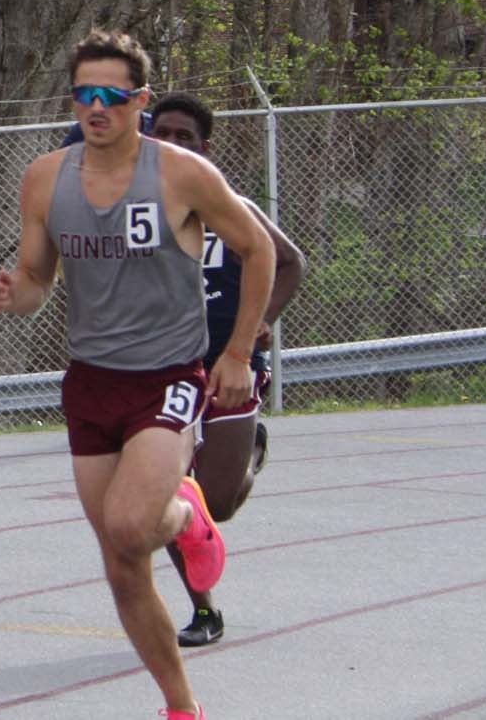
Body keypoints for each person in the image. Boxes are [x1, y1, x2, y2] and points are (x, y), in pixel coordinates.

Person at [0, 29, 275, 720]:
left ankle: (184, 514)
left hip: (167, 374)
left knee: (132, 522)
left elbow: (258, 249)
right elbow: (36, 280)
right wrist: (8, 294)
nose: (98, 107)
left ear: (140, 100)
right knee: (121, 560)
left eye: (113, 95)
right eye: (86, 94)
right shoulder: (47, 176)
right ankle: (182, 706)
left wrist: (234, 353)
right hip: (91, 380)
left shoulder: (180, 173)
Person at [145, 92, 306, 647]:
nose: (169, 144)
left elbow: (289, 262)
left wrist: (260, 324)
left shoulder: (227, 203)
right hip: (164, 367)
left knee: (219, 504)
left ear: (204, 147)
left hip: (229, 363)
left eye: (183, 136)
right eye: (160, 132)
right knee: (174, 496)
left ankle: (249, 452)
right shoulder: (132, 210)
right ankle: (204, 611)